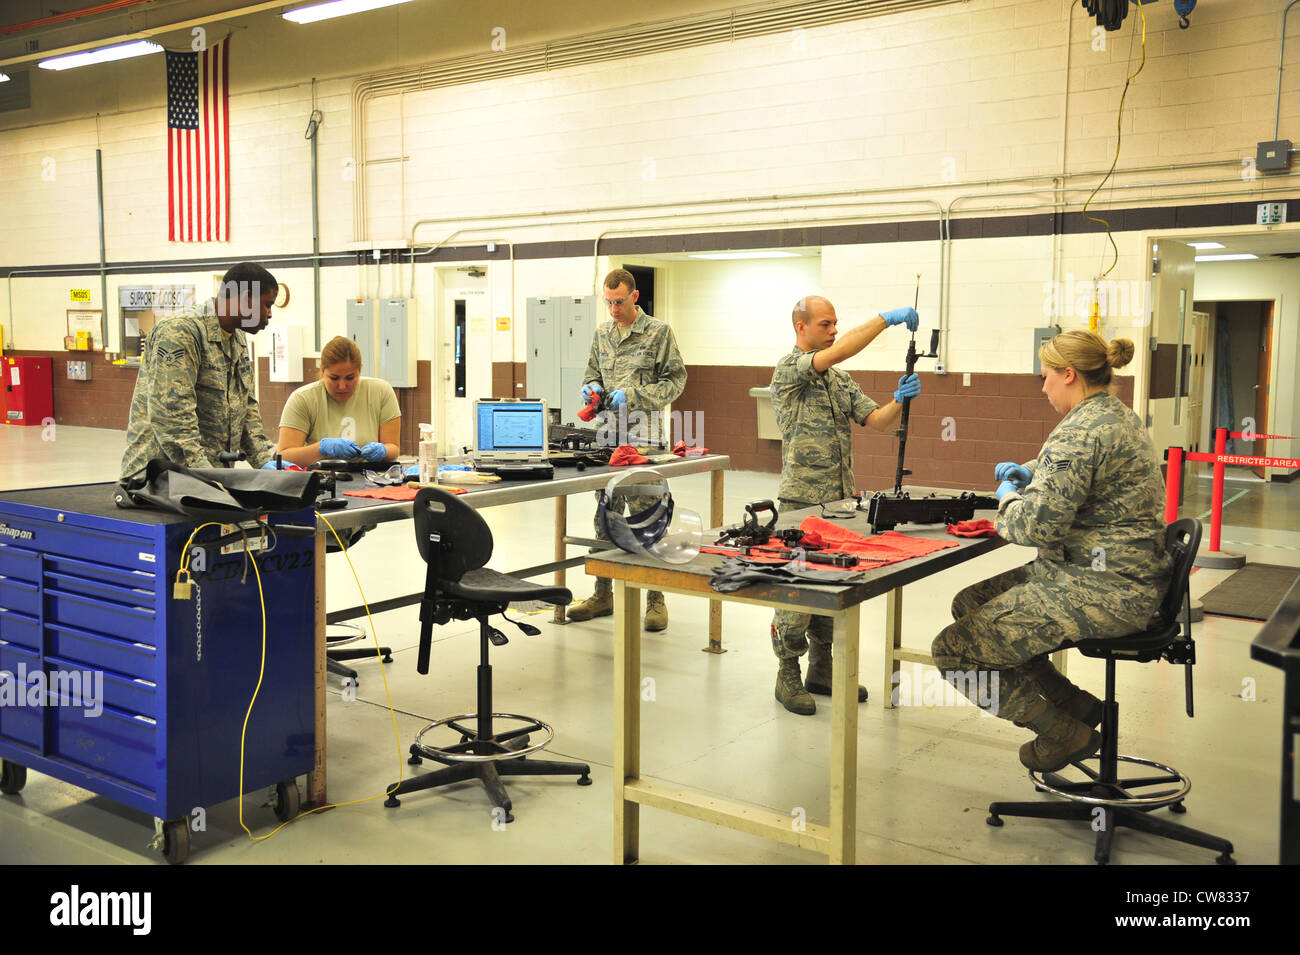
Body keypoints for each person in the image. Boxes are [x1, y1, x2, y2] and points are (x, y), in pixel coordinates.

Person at [931, 330, 1173, 772]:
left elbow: (1033, 527)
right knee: (969, 603)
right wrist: (1027, 473)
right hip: (1120, 575)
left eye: (1045, 378)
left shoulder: (1079, 431)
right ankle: (1071, 702)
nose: (1041, 389)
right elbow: (1069, 470)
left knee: (954, 650)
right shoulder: (1114, 415)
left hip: (1101, 589)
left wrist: (1007, 497)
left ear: (1069, 374)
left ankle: (1061, 733)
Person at [770, 295, 921, 715]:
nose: (833, 330)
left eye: (836, 323)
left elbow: (876, 421)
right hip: (800, 503)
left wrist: (900, 400)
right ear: (801, 327)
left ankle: (822, 668)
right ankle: (787, 674)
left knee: (831, 587)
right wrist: (885, 320)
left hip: (839, 504)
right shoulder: (789, 370)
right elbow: (844, 348)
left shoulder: (839, 380)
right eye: (825, 324)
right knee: (796, 592)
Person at [567, 269, 687, 631]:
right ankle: (603, 595)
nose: (613, 309)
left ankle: (655, 600)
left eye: (619, 302)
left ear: (634, 297)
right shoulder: (603, 333)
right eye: (608, 303)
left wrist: (634, 395)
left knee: (647, 519)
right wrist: (590, 388)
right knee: (605, 517)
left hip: (645, 440)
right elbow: (592, 373)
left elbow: (675, 380)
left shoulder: (658, 332)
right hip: (607, 437)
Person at [120, 262, 280, 478]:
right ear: (245, 298)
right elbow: (172, 418)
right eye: (266, 305)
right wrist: (210, 478)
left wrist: (268, 463)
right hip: (158, 480)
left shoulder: (237, 338)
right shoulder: (180, 332)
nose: (269, 314)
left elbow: (247, 411)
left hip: (204, 479)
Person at [276, 335, 401, 467]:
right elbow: (285, 456)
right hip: (321, 476)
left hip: (371, 477)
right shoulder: (302, 399)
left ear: (360, 370)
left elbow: (393, 448)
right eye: (334, 378)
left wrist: (383, 451)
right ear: (322, 371)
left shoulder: (381, 392)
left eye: (350, 377)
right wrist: (321, 448)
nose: (342, 386)